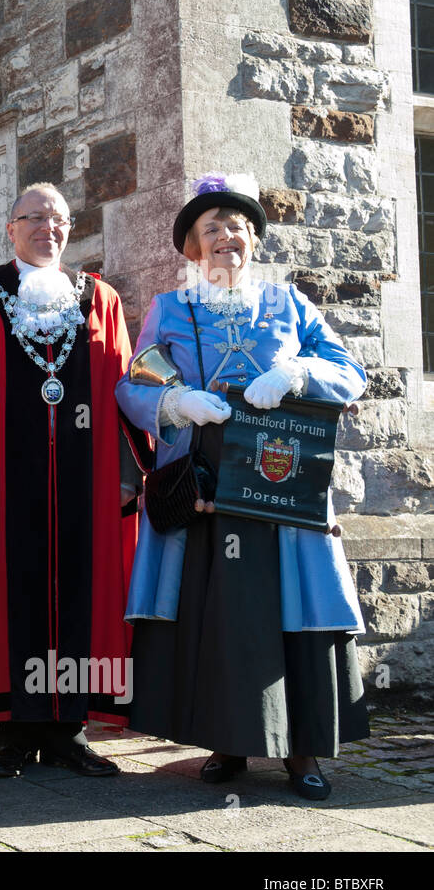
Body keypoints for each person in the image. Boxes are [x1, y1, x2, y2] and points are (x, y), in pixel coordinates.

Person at [116, 172, 369, 800]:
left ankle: (302, 750)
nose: (227, 237)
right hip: (207, 488)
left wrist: (296, 371)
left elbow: (350, 373)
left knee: (289, 609)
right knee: (215, 611)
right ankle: (225, 741)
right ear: (194, 248)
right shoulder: (170, 310)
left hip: (282, 487)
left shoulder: (289, 304)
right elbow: (132, 386)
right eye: (213, 229)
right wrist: (178, 403)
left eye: (237, 227)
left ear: (252, 239)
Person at [0, 181, 138, 778]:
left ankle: (66, 730)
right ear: (10, 227)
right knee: (10, 589)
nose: (46, 229)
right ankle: (14, 732)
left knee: (80, 590)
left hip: (85, 476)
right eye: (33, 218)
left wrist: (129, 475)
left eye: (57, 220)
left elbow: (126, 387)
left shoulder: (99, 297)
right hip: (2, 476)